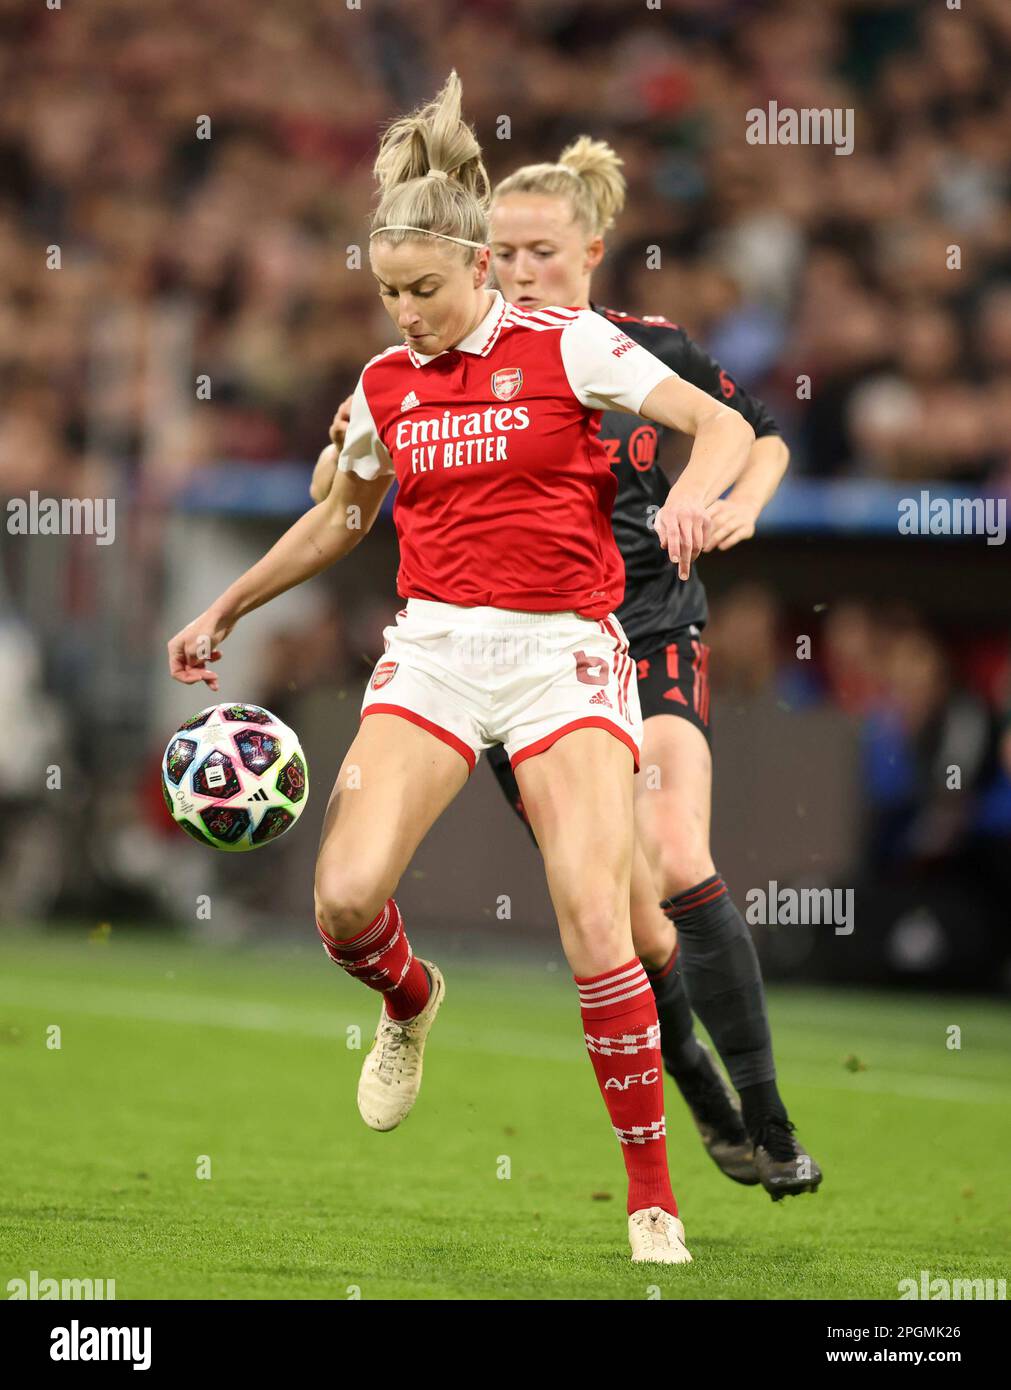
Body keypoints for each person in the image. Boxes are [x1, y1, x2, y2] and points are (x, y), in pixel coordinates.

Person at [171, 74, 754, 1265]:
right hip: (433, 652)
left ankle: (652, 1200)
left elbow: (727, 428)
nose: (407, 314)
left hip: (563, 658)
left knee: (596, 913)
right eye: (387, 294)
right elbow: (341, 519)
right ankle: (409, 1000)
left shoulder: (569, 343)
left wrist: (697, 497)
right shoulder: (384, 385)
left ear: (482, 267)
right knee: (341, 902)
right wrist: (226, 602)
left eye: (425, 290)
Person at [314, 137, 822, 1200]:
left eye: (540, 249)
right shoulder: (455, 360)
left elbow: (758, 434)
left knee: (676, 850)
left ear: (593, 247)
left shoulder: (634, 345)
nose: (518, 270)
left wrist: (733, 503)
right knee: (628, 923)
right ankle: (710, 1110)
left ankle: (772, 1124)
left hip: (645, 618)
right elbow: (364, 474)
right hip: (519, 641)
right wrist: (348, 456)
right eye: (500, 251)